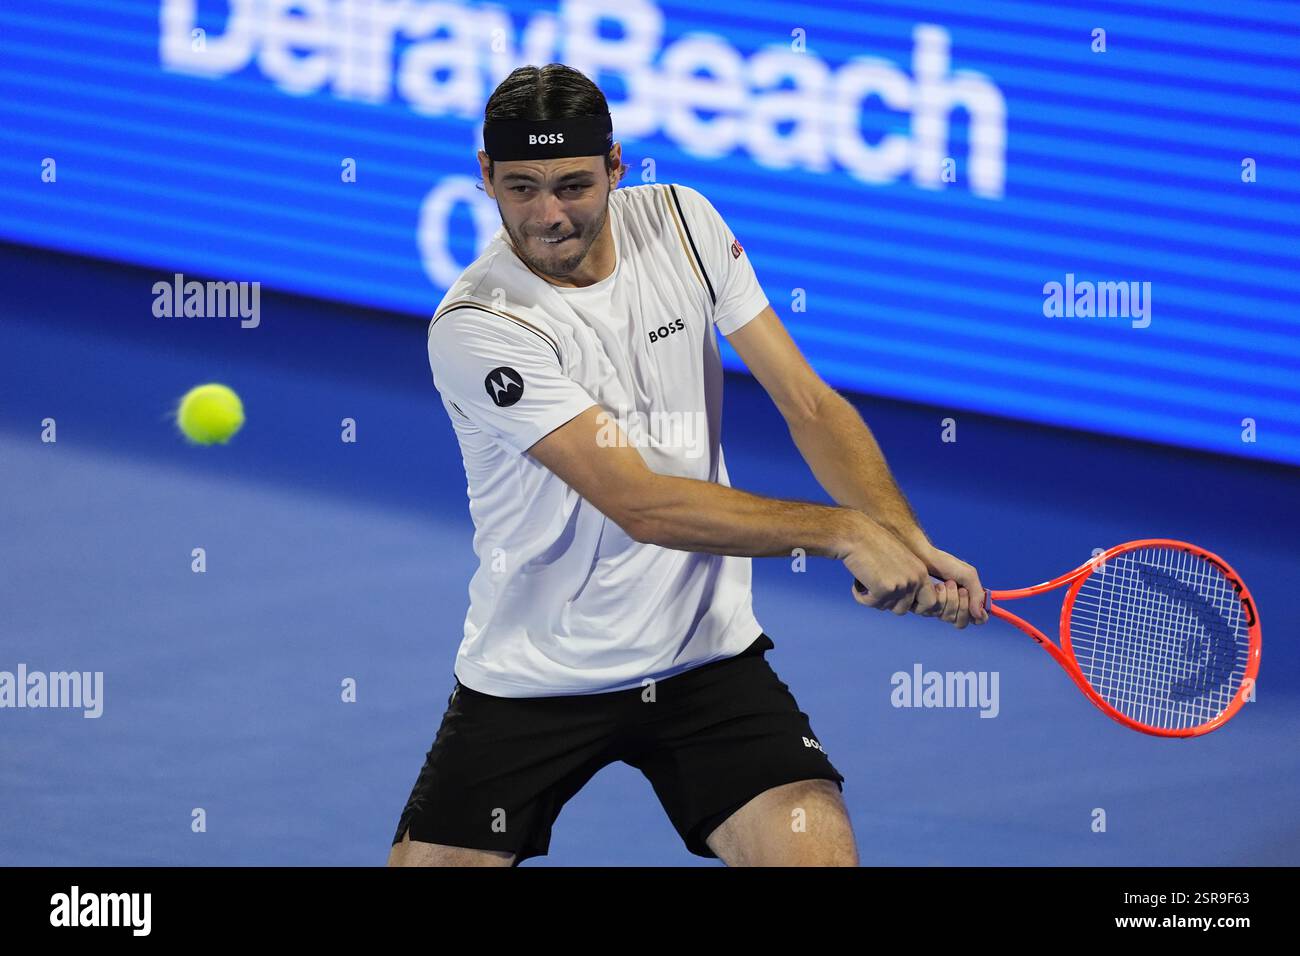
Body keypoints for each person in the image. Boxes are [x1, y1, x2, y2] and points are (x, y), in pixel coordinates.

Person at [389, 62, 987, 868]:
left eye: (572, 184)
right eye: (521, 187)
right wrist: (847, 532)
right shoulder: (478, 326)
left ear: (615, 168)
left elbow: (807, 403)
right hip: (536, 674)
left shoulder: (684, 223)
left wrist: (904, 539)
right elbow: (641, 506)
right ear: (486, 177)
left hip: (704, 659)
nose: (549, 215)